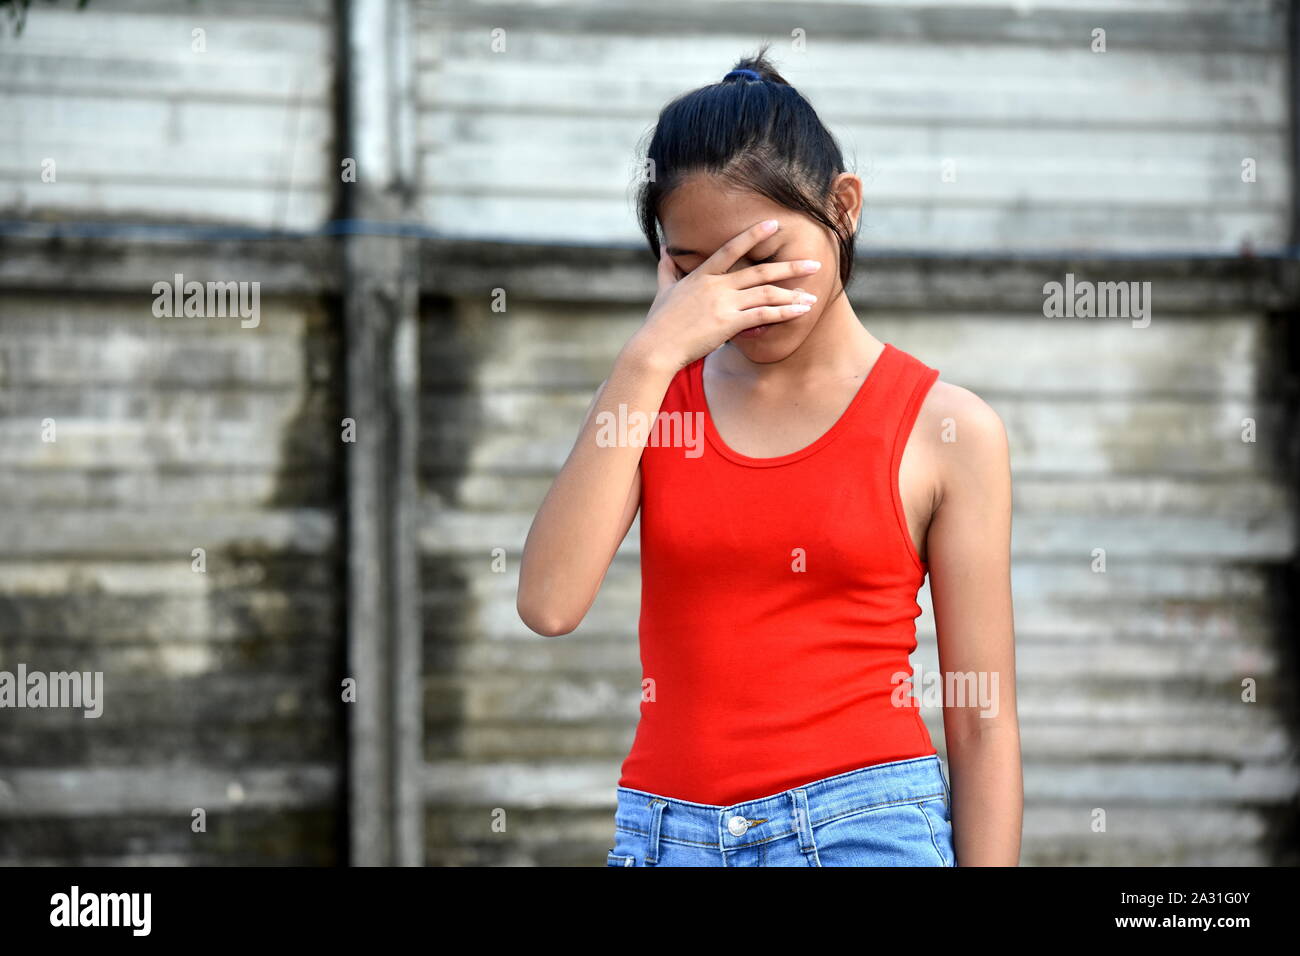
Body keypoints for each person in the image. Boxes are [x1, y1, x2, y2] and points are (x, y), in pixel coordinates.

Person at [517, 44, 1021, 866]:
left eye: (763, 255)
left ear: (844, 206)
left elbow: (983, 718)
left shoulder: (947, 429)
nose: (739, 297)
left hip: (865, 828)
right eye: (697, 269)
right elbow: (548, 603)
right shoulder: (653, 398)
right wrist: (648, 356)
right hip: (664, 837)